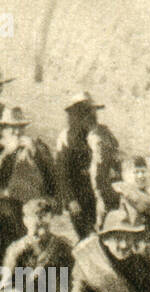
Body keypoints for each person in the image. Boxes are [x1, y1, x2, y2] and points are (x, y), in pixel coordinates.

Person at [0, 106, 57, 266]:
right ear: (3, 129)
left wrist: (36, 152)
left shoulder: (36, 147)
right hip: (5, 212)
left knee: (32, 255)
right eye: (11, 128)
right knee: (4, 256)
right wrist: (8, 152)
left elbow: (52, 176)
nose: (16, 132)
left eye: (19, 128)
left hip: (32, 212)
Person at [56, 91, 120, 239]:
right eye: (83, 111)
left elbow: (115, 160)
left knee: (107, 234)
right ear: (75, 114)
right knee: (87, 238)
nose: (88, 114)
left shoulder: (102, 133)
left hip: (103, 193)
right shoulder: (66, 137)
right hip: (80, 196)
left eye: (90, 110)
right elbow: (62, 173)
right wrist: (70, 199)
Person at [112, 155, 150, 247]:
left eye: (143, 172)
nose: (140, 176)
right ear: (125, 175)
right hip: (135, 241)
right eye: (136, 172)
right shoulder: (125, 193)